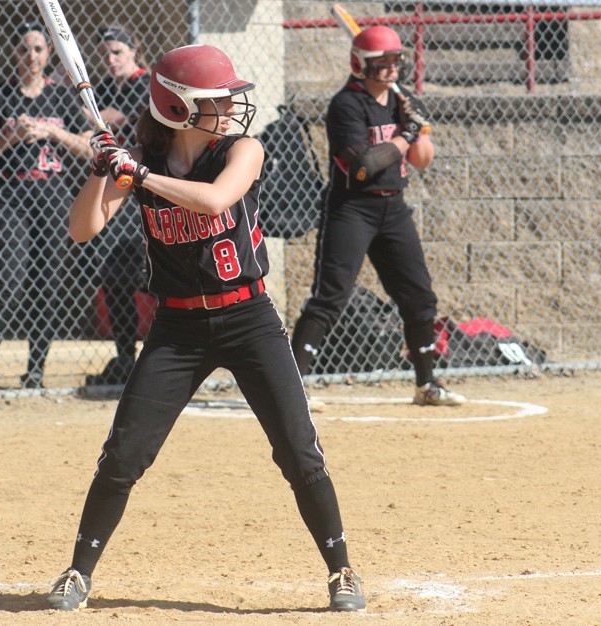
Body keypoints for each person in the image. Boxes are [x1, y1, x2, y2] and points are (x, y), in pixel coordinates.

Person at [46, 44, 366, 613]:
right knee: (124, 454)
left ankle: (341, 570)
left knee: (299, 450)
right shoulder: (142, 157)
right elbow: (81, 228)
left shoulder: (244, 149)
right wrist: (103, 172)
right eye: (217, 99)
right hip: (177, 328)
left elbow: (214, 200)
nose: (232, 105)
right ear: (178, 107)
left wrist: (138, 173)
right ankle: (77, 571)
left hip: (250, 319)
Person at [289, 26, 466, 407]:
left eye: (394, 61)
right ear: (359, 64)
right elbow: (364, 167)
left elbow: (422, 161)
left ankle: (427, 384)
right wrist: (405, 134)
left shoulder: (402, 101)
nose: (390, 69)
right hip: (352, 208)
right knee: (330, 298)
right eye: (380, 63)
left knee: (419, 297)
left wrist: (419, 132)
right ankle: (291, 388)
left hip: (394, 209)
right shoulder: (346, 106)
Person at [0, 21, 91, 392]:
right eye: (23, 49)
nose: (31, 56)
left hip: (51, 196)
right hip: (10, 196)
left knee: (48, 283)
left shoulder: (61, 98)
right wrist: (8, 138)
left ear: (49, 53)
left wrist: (52, 132)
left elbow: (88, 149)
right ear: (13, 53)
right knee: (10, 279)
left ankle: (36, 370)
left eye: (38, 49)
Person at [84, 25, 152, 387]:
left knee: (148, 272)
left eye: (117, 53)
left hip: (144, 186)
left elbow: (116, 117)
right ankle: (127, 356)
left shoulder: (145, 83)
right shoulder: (109, 86)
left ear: (133, 52)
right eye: (105, 54)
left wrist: (88, 119)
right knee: (113, 277)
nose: (110, 60)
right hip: (117, 192)